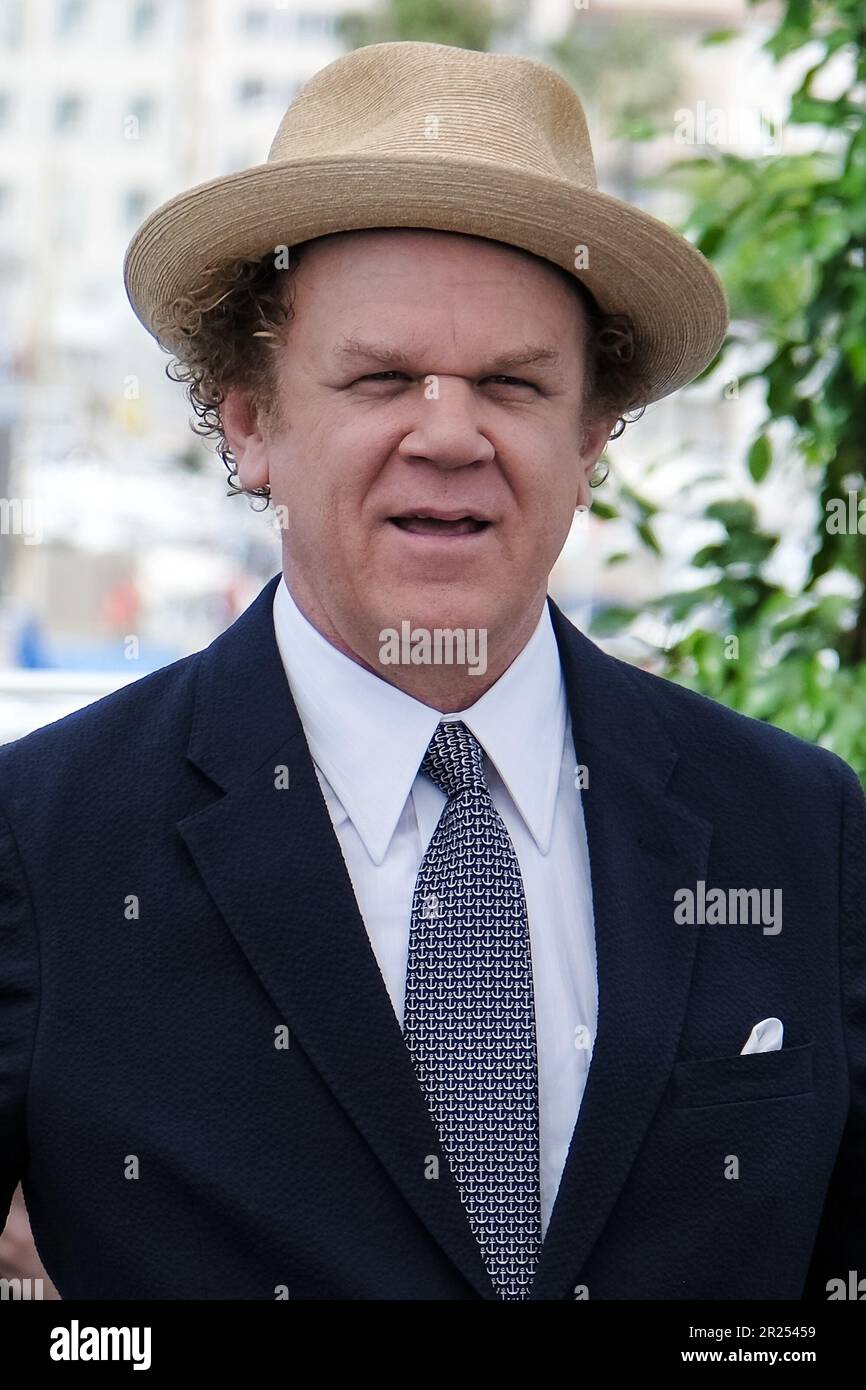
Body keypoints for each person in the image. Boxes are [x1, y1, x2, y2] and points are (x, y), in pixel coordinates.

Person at [1, 40, 863, 1302]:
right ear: (250, 422)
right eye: (381, 377)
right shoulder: (40, 843)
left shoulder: (796, 829)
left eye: (512, 384)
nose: (449, 434)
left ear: (590, 437)